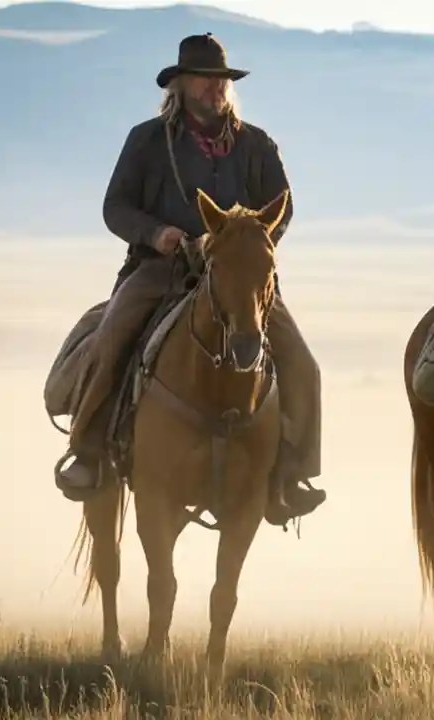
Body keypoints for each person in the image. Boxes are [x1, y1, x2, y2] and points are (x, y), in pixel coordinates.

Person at [55, 32, 326, 526]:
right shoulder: (146, 140)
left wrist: (249, 245)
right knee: (111, 337)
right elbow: (115, 207)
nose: (213, 88)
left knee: (303, 364)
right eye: (203, 78)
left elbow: (281, 211)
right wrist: (156, 233)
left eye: (220, 79)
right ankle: (89, 453)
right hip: (160, 269)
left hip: (240, 279)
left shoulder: (257, 144)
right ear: (179, 85)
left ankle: (292, 472)